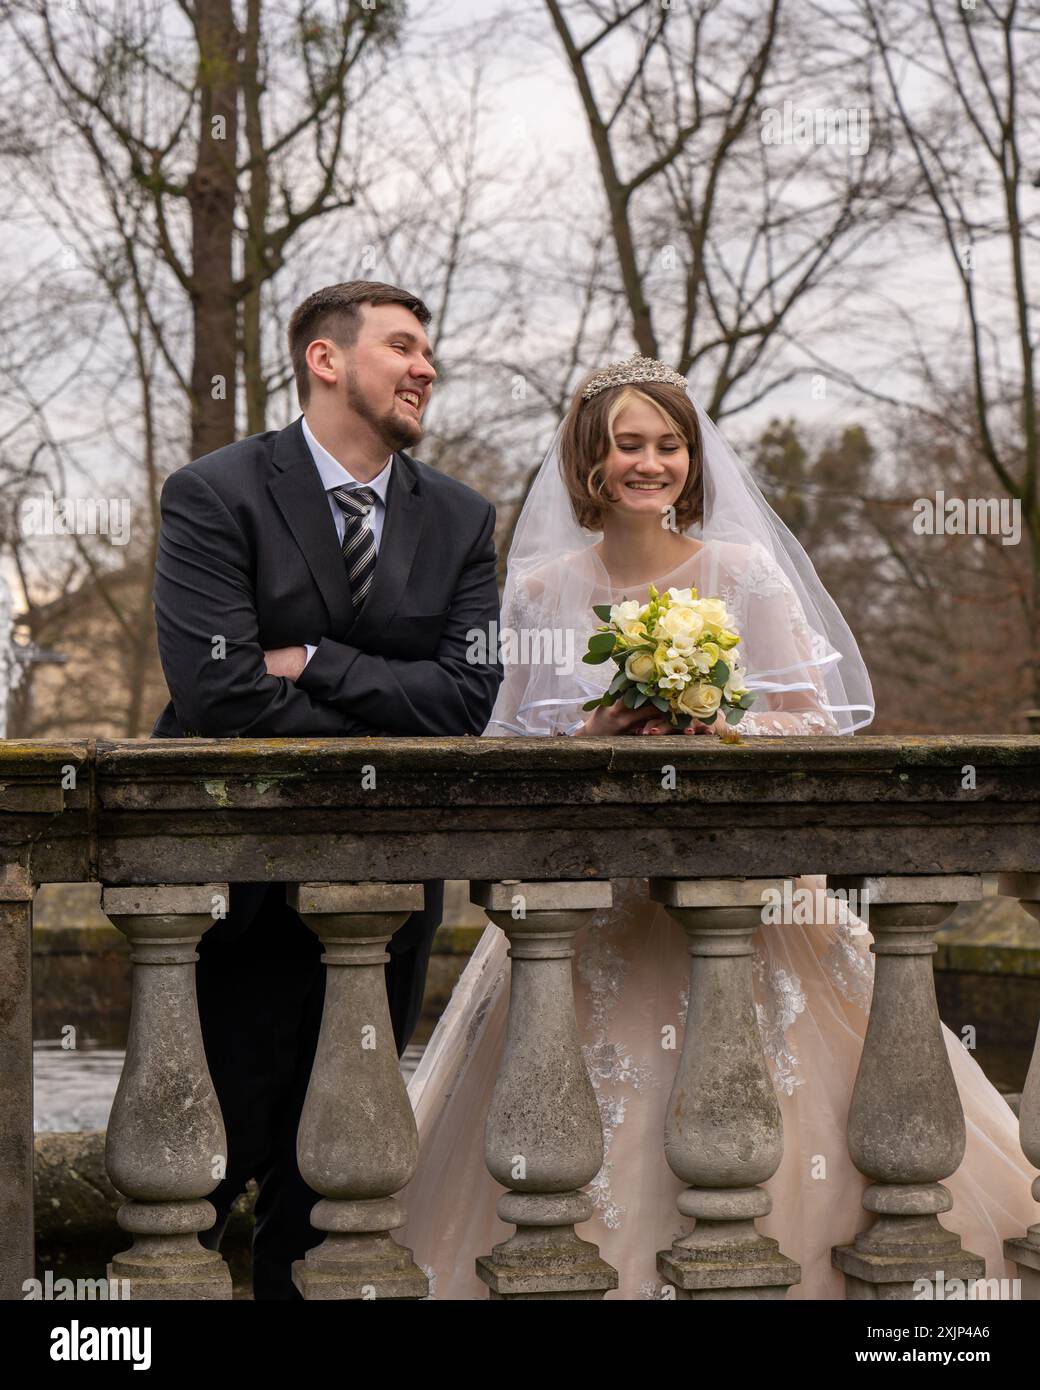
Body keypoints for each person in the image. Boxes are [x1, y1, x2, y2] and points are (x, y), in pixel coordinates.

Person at [398, 354, 1038, 1299]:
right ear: (590, 461)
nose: (650, 464)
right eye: (628, 445)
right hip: (598, 917)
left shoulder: (742, 573)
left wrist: (721, 722)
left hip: (752, 904)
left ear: (693, 461)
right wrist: (595, 732)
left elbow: (816, 723)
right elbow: (510, 748)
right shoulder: (539, 592)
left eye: (669, 446)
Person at [150, 279, 503, 1298]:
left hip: (386, 894)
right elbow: (218, 692)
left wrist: (310, 659)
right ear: (326, 359)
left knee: (332, 1193)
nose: (425, 366)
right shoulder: (215, 492)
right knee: (200, 1174)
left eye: (426, 348)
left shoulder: (460, 518)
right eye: (402, 345)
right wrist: (385, 709)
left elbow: (466, 701)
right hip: (232, 892)